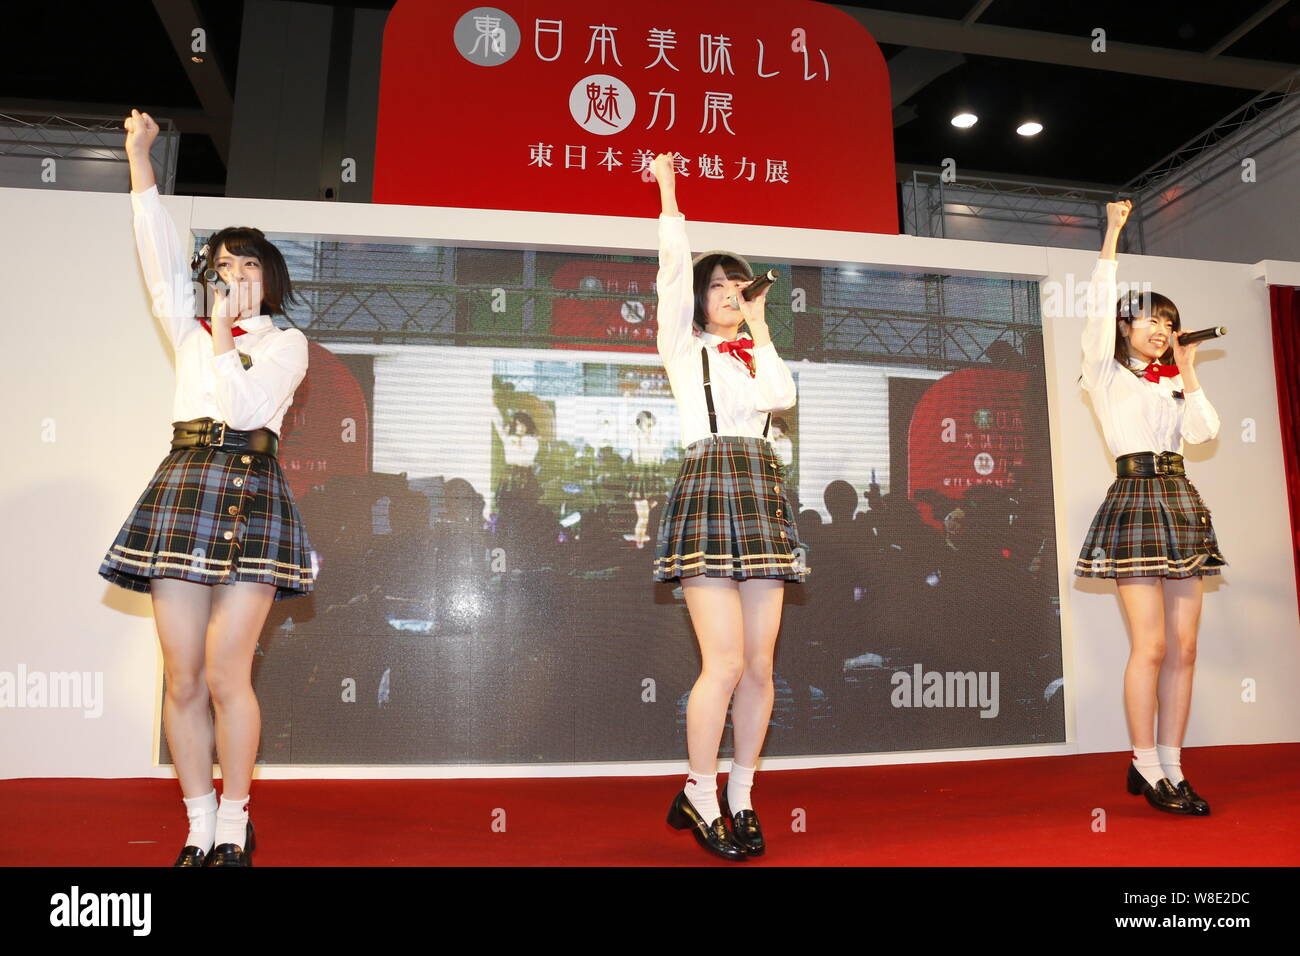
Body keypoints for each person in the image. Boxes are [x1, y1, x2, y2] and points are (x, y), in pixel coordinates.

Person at [99, 110, 315, 865]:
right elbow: (156, 246)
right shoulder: (187, 330)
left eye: (249, 265)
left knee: (229, 672)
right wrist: (139, 158)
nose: (234, 276)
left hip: (253, 490)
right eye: (222, 265)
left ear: (270, 276)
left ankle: (235, 817)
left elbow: (247, 409)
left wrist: (224, 335)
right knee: (184, 673)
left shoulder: (286, 344)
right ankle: (197, 823)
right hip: (187, 485)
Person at [649, 153, 809, 860]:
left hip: (762, 493)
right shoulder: (683, 350)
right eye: (716, 286)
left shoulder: (758, 353)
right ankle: (701, 790)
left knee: (761, 666)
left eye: (736, 285)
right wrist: (669, 191)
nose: (726, 293)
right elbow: (673, 268)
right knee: (721, 663)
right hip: (711, 488)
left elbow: (782, 397)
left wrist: (762, 323)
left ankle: (742, 790)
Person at [1074, 199, 1225, 815]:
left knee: (1185, 650)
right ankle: (1143, 761)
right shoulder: (1103, 373)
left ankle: (1172, 765)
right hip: (1135, 502)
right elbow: (1096, 307)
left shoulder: (1170, 381)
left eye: (1168, 321)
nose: (1160, 329)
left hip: (1180, 498)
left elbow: (1206, 433)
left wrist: (1188, 369)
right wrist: (1112, 234)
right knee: (1153, 647)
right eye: (1147, 321)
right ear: (1125, 329)